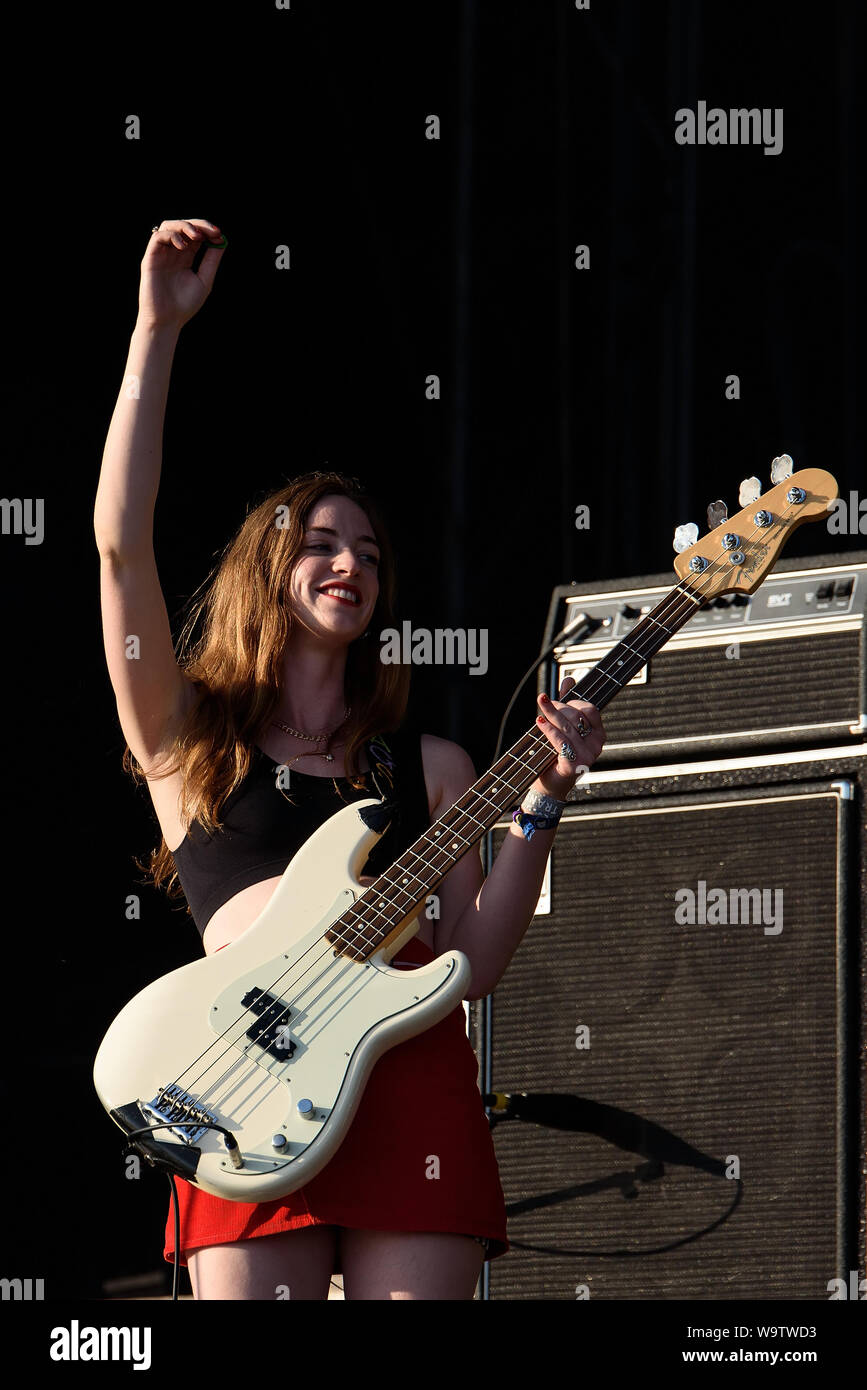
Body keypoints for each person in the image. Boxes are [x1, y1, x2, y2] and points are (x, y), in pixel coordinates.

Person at [93, 217, 606, 1300]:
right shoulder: (192, 742)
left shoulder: (432, 762)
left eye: (369, 553)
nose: (350, 563)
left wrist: (545, 807)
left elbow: (474, 959)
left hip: (411, 1084)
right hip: (243, 1085)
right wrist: (156, 331)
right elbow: (118, 542)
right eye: (322, 542)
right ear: (268, 565)